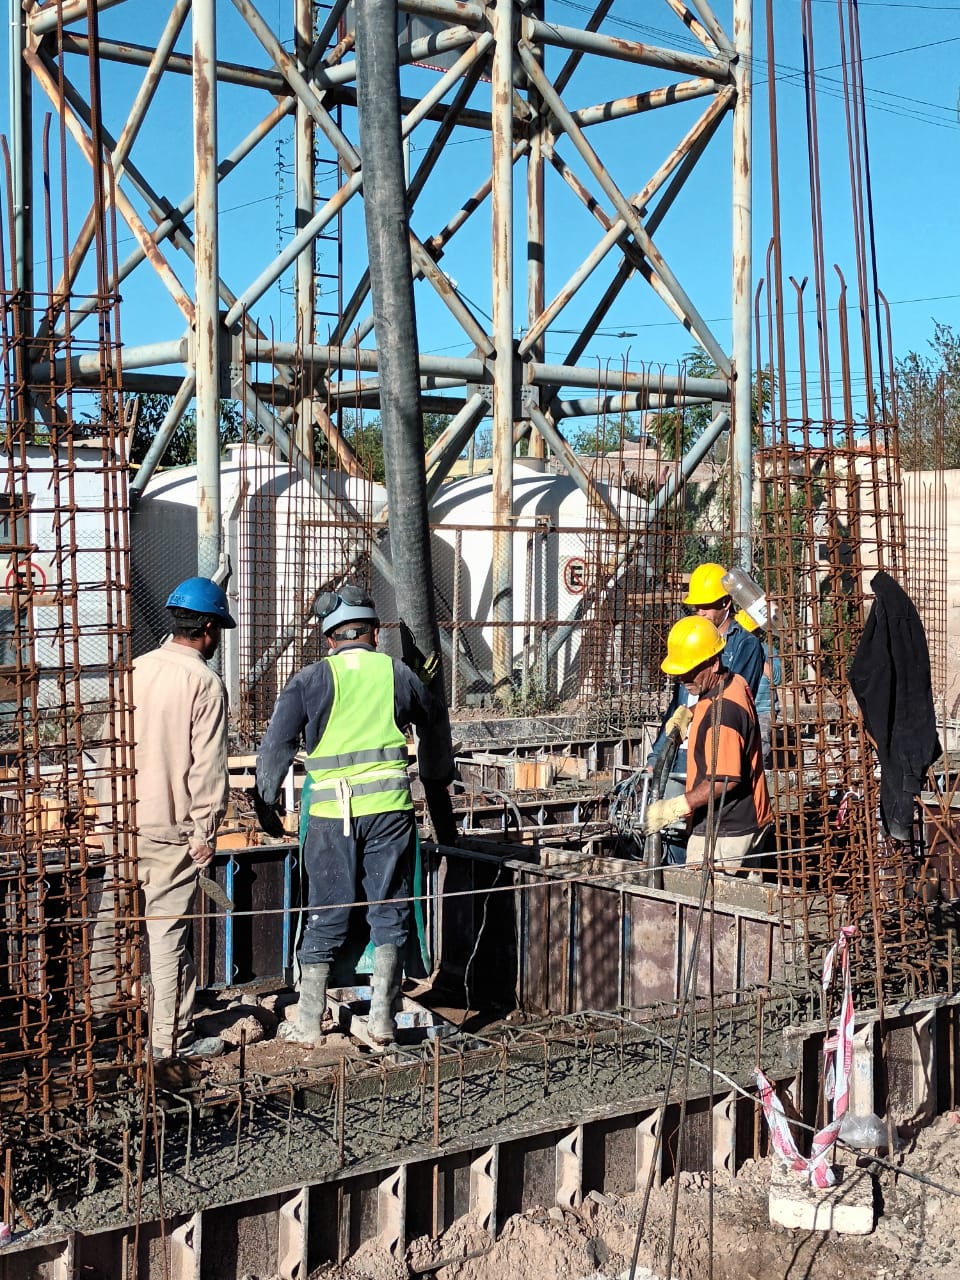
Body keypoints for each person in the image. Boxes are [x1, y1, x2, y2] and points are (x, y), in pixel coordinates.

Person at [254, 584, 445, 1049]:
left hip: (329, 817)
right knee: (390, 911)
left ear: (329, 638)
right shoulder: (396, 673)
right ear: (375, 633)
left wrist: (266, 803)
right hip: (389, 813)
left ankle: (308, 1025)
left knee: (325, 913)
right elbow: (434, 720)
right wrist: (437, 776)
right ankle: (382, 1021)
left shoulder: (310, 680)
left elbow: (275, 747)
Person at [91, 576, 235, 1058]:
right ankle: (169, 1041)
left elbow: (108, 747)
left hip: (121, 823)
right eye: (219, 632)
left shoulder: (133, 669)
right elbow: (208, 768)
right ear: (208, 628)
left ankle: (99, 1017)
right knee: (168, 935)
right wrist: (205, 832)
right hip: (169, 832)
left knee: (113, 917)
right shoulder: (205, 683)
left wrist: (106, 815)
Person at [646, 563, 765, 862]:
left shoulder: (741, 654)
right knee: (677, 835)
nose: (699, 612)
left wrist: (678, 806)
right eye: (695, 606)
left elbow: (724, 776)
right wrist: (657, 757)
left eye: (706, 606)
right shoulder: (692, 642)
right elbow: (678, 707)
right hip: (690, 750)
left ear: (726, 604)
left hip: (730, 816)